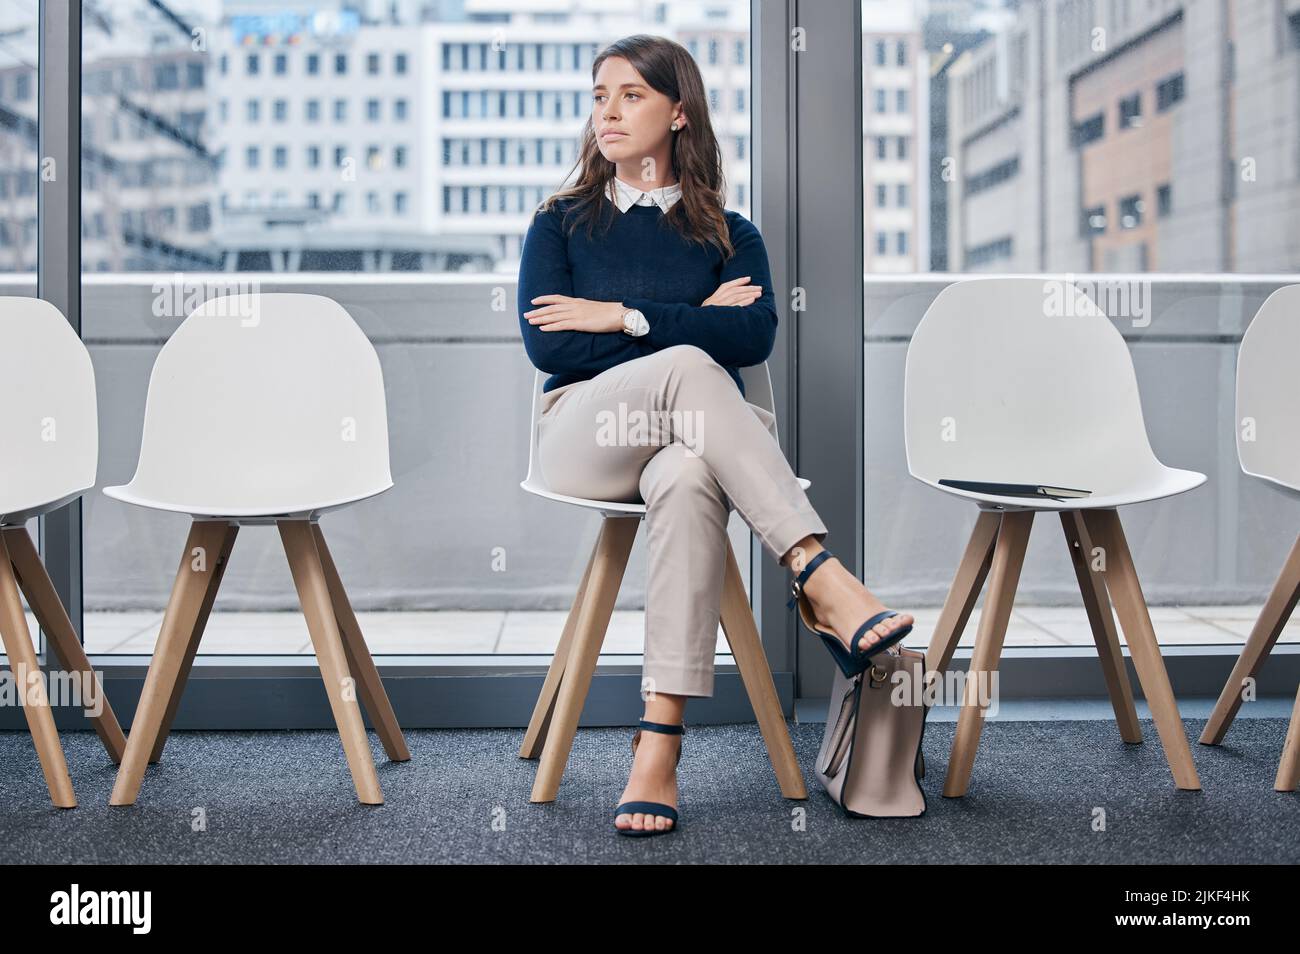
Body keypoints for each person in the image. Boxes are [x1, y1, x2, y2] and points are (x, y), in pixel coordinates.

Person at [517, 34, 913, 837]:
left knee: (692, 476)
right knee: (693, 360)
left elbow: (755, 336)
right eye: (600, 95)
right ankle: (816, 570)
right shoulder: (559, 225)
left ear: (678, 112)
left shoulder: (731, 234)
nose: (609, 111)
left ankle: (657, 748)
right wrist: (683, 326)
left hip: (691, 449)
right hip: (583, 437)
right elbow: (553, 346)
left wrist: (620, 317)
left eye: (630, 95)